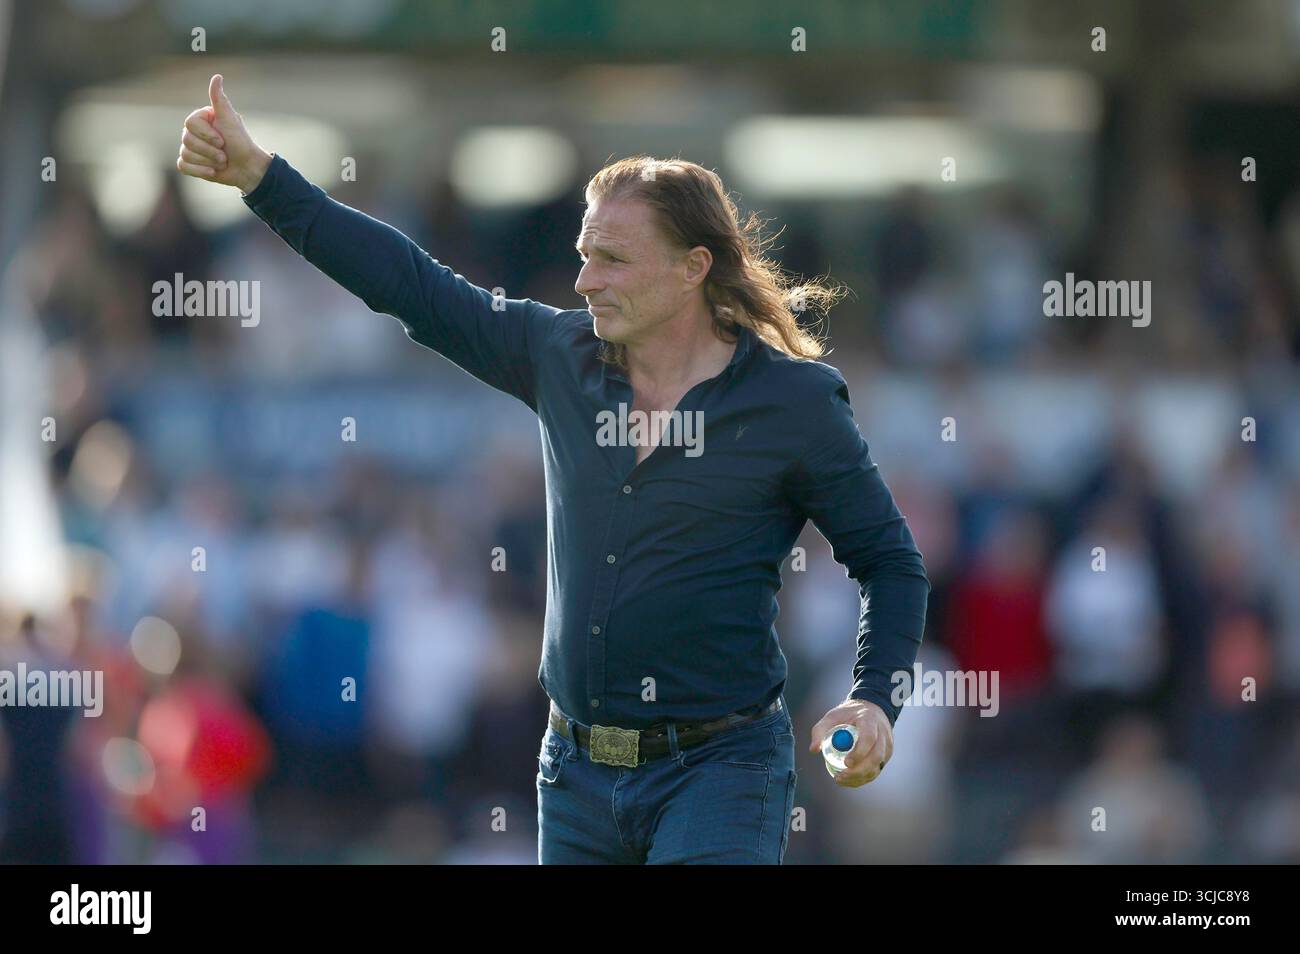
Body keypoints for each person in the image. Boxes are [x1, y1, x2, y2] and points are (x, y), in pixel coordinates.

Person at [176, 73, 930, 864]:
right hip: (573, 775)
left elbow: (890, 562)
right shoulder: (560, 356)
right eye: (582, 255)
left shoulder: (794, 402)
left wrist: (875, 699)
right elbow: (409, 286)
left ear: (692, 268)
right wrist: (263, 180)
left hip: (723, 770)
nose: (582, 280)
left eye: (611, 259)